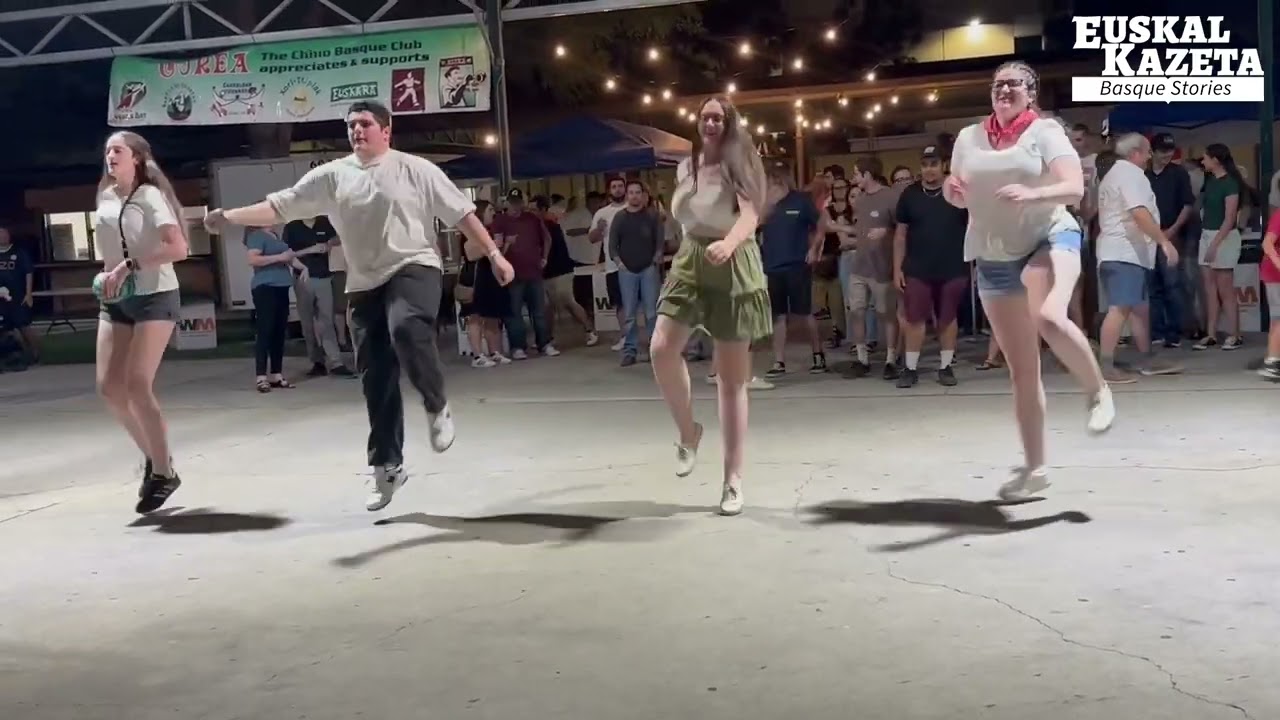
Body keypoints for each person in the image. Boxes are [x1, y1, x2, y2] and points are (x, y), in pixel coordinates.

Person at [205, 100, 514, 511]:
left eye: (365, 123)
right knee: (375, 375)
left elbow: (463, 214)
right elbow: (281, 205)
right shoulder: (333, 175)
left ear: (386, 130)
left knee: (406, 326)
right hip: (364, 282)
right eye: (351, 125)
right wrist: (230, 216)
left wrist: (494, 254)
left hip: (414, 265)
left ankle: (436, 403)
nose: (357, 130)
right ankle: (387, 466)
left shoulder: (415, 169)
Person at [945, 61, 1113, 501]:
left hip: (1049, 235)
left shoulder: (1045, 132)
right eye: (997, 84)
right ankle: (1036, 468)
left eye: (1013, 84)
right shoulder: (969, 137)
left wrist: (1033, 193)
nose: (1004, 90)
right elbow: (957, 190)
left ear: (1031, 92)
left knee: (1050, 316)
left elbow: (1074, 188)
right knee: (1022, 370)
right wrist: (952, 192)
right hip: (994, 253)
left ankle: (1097, 391)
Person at [649, 95, 770, 516]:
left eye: (719, 117)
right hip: (691, 258)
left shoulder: (743, 162)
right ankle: (689, 432)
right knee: (661, 348)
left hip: (733, 259)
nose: (711, 123)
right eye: (706, 117)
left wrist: (729, 243)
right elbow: (686, 215)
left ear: (730, 122)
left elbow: (750, 215)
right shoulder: (687, 166)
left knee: (731, 379)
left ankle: (732, 479)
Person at [93, 131, 190, 514]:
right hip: (116, 299)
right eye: (107, 150)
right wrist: (106, 274)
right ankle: (155, 457)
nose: (110, 155)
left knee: (136, 384)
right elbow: (109, 249)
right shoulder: (105, 197)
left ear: (136, 158)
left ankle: (163, 473)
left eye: (117, 149)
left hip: (154, 295)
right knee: (109, 388)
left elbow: (178, 248)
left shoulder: (150, 196)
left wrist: (129, 265)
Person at [1093, 136, 1182, 382]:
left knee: (1139, 309)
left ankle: (1147, 359)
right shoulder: (1131, 175)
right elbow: (1139, 212)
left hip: (1122, 252)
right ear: (1135, 153)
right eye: (1147, 152)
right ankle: (1105, 366)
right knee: (1120, 309)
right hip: (1124, 253)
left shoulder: (1113, 175)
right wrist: (1164, 241)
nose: (1150, 157)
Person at [893, 145, 969, 388]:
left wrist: (974, 262)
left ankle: (945, 367)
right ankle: (910, 368)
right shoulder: (910, 194)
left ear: (943, 165)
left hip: (953, 266)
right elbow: (900, 235)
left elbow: (974, 228)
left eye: (934, 164)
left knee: (947, 317)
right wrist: (897, 269)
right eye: (925, 165)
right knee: (914, 318)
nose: (929, 169)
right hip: (917, 268)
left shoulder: (957, 192)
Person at [761, 162, 825, 377]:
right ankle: (778, 361)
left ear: (779, 180)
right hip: (773, 266)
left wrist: (814, 249)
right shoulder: (766, 204)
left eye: (770, 180)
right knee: (778, 315)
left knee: (804, 312)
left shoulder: (801, 200)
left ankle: (818, 354)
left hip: (798, 264)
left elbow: (820, 224)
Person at [845, 155, 902, 380]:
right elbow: (861, 230)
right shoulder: (860, 200)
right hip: (859, 267)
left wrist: (886, 232)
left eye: (856, 173)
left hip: (882, 268)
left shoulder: (890, 197)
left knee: (886, 314)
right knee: (856, 311)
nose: (854, 178)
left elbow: (903, 230)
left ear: (867, 174)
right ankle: (862, 358)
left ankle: (891, 359)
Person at [1192, 143, 1253, 351]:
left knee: (1225, 289)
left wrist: (1214, 244)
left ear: (1216, 160)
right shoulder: (1210, 180)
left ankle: (1235, 334)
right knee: (1209, 289)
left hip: (1224, 237)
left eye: (1205, 157)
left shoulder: (1231, 183)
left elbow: (1229, 219)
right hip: (1207, 234)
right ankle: (1211, 334)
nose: (1203, 161)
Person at [492, 188, 558, 359]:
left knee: (539, 311)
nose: (515, 206)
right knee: (514, 313)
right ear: (507, 202)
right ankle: (518, 347)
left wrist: (545, 258)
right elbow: (495, 248)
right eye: (512, 202)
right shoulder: (499, 221)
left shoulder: (532, 218)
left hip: (534, 271)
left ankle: (544, 343)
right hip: (512, 273)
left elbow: (547, 238)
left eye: (518, 202)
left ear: (522, 202)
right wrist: (506, 246)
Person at [284, 215, 354, 377]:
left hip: (324, 276)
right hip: (303, 277)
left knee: (326, 321)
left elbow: (338, 237)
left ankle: (336, 362)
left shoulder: (324, 222)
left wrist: (329, 244)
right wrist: (311, 250)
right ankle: (317, 361)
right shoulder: (292, 227)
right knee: (308, 324)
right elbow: (287, 254)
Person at [1145, 133, 1196, 349]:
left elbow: (1187, 205)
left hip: (1172, 235)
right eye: (1163, 151)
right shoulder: (1143, 174)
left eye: (1170, 151)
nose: (1167, 155)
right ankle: (1157, 331)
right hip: (1147, 236)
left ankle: (1175, 332)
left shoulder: (1179, 173)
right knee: (1152, 286)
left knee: (1173, 285)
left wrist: (1172, 230)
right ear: (1152, 152)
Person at [609, 180, 664, 366]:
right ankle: (629, 351)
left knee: (651, 312)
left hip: (648, 269)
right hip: (627, 271)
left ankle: (654, 350)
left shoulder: (652, 216)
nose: (634, 196)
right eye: (631, 192)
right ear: (627, 196)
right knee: (630, 314)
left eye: (637, 192)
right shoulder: (620, 218)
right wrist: (619, 263)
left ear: (643, 195)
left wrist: (656, 257)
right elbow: (612, 245)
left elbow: (659, 241)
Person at [536, 194, 598, 347]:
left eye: (533, 209)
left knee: (568, 301)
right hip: (545, 272)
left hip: (561, 270)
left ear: (543, 209)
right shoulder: (538, 224)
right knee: (547, 306)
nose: (530, 212)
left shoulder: (550, 225)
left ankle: (590, 330)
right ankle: (547, 338)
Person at [245, 225, 300, 391]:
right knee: (265, 330)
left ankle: (276, 373)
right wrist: (280, 257)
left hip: (282, 286)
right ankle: (261, 376)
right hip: (266, 287)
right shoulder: (256, 236)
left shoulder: (275, 235)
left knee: (279, 331)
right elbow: (253, 259)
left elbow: (290, 258)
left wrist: (305, 269)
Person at [460, 199, 513, 367]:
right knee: (475, 317)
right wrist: (490, 247)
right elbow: (470, 255)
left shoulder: (491, 231)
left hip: (491, 277)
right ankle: (478, 355)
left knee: (492, 316)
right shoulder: (471, 232)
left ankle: (495, 351)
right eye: (490, 210)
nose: (493, 213)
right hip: (475, 277)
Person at [589, 177, 628, 347]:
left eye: (620, 186)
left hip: (636, 264)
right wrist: (599, 229)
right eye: (614, 187)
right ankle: (625, 337)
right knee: (619, 303)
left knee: (640, 304)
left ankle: (648, 338)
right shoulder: (601, 213)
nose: (618, 189)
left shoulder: (634, 207)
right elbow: (592, 238)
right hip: (613, 265)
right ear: (609, 191)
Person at [0, 228, 38, 363]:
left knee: (24, 326)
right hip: (1, 299)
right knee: (5, 329)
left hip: (17, 296)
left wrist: (28, 294)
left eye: (5, 235)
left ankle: (35, 353)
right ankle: (13, 355)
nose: (3, 237)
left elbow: (28, 272)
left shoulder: (19, 253)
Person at [1258, 205, 1280, 380]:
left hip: (1273, 273)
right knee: (1278, 318)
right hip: (1274, 274)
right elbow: (1267, 244)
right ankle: (1272, 362)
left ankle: (1272, 359)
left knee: (1277, 318)